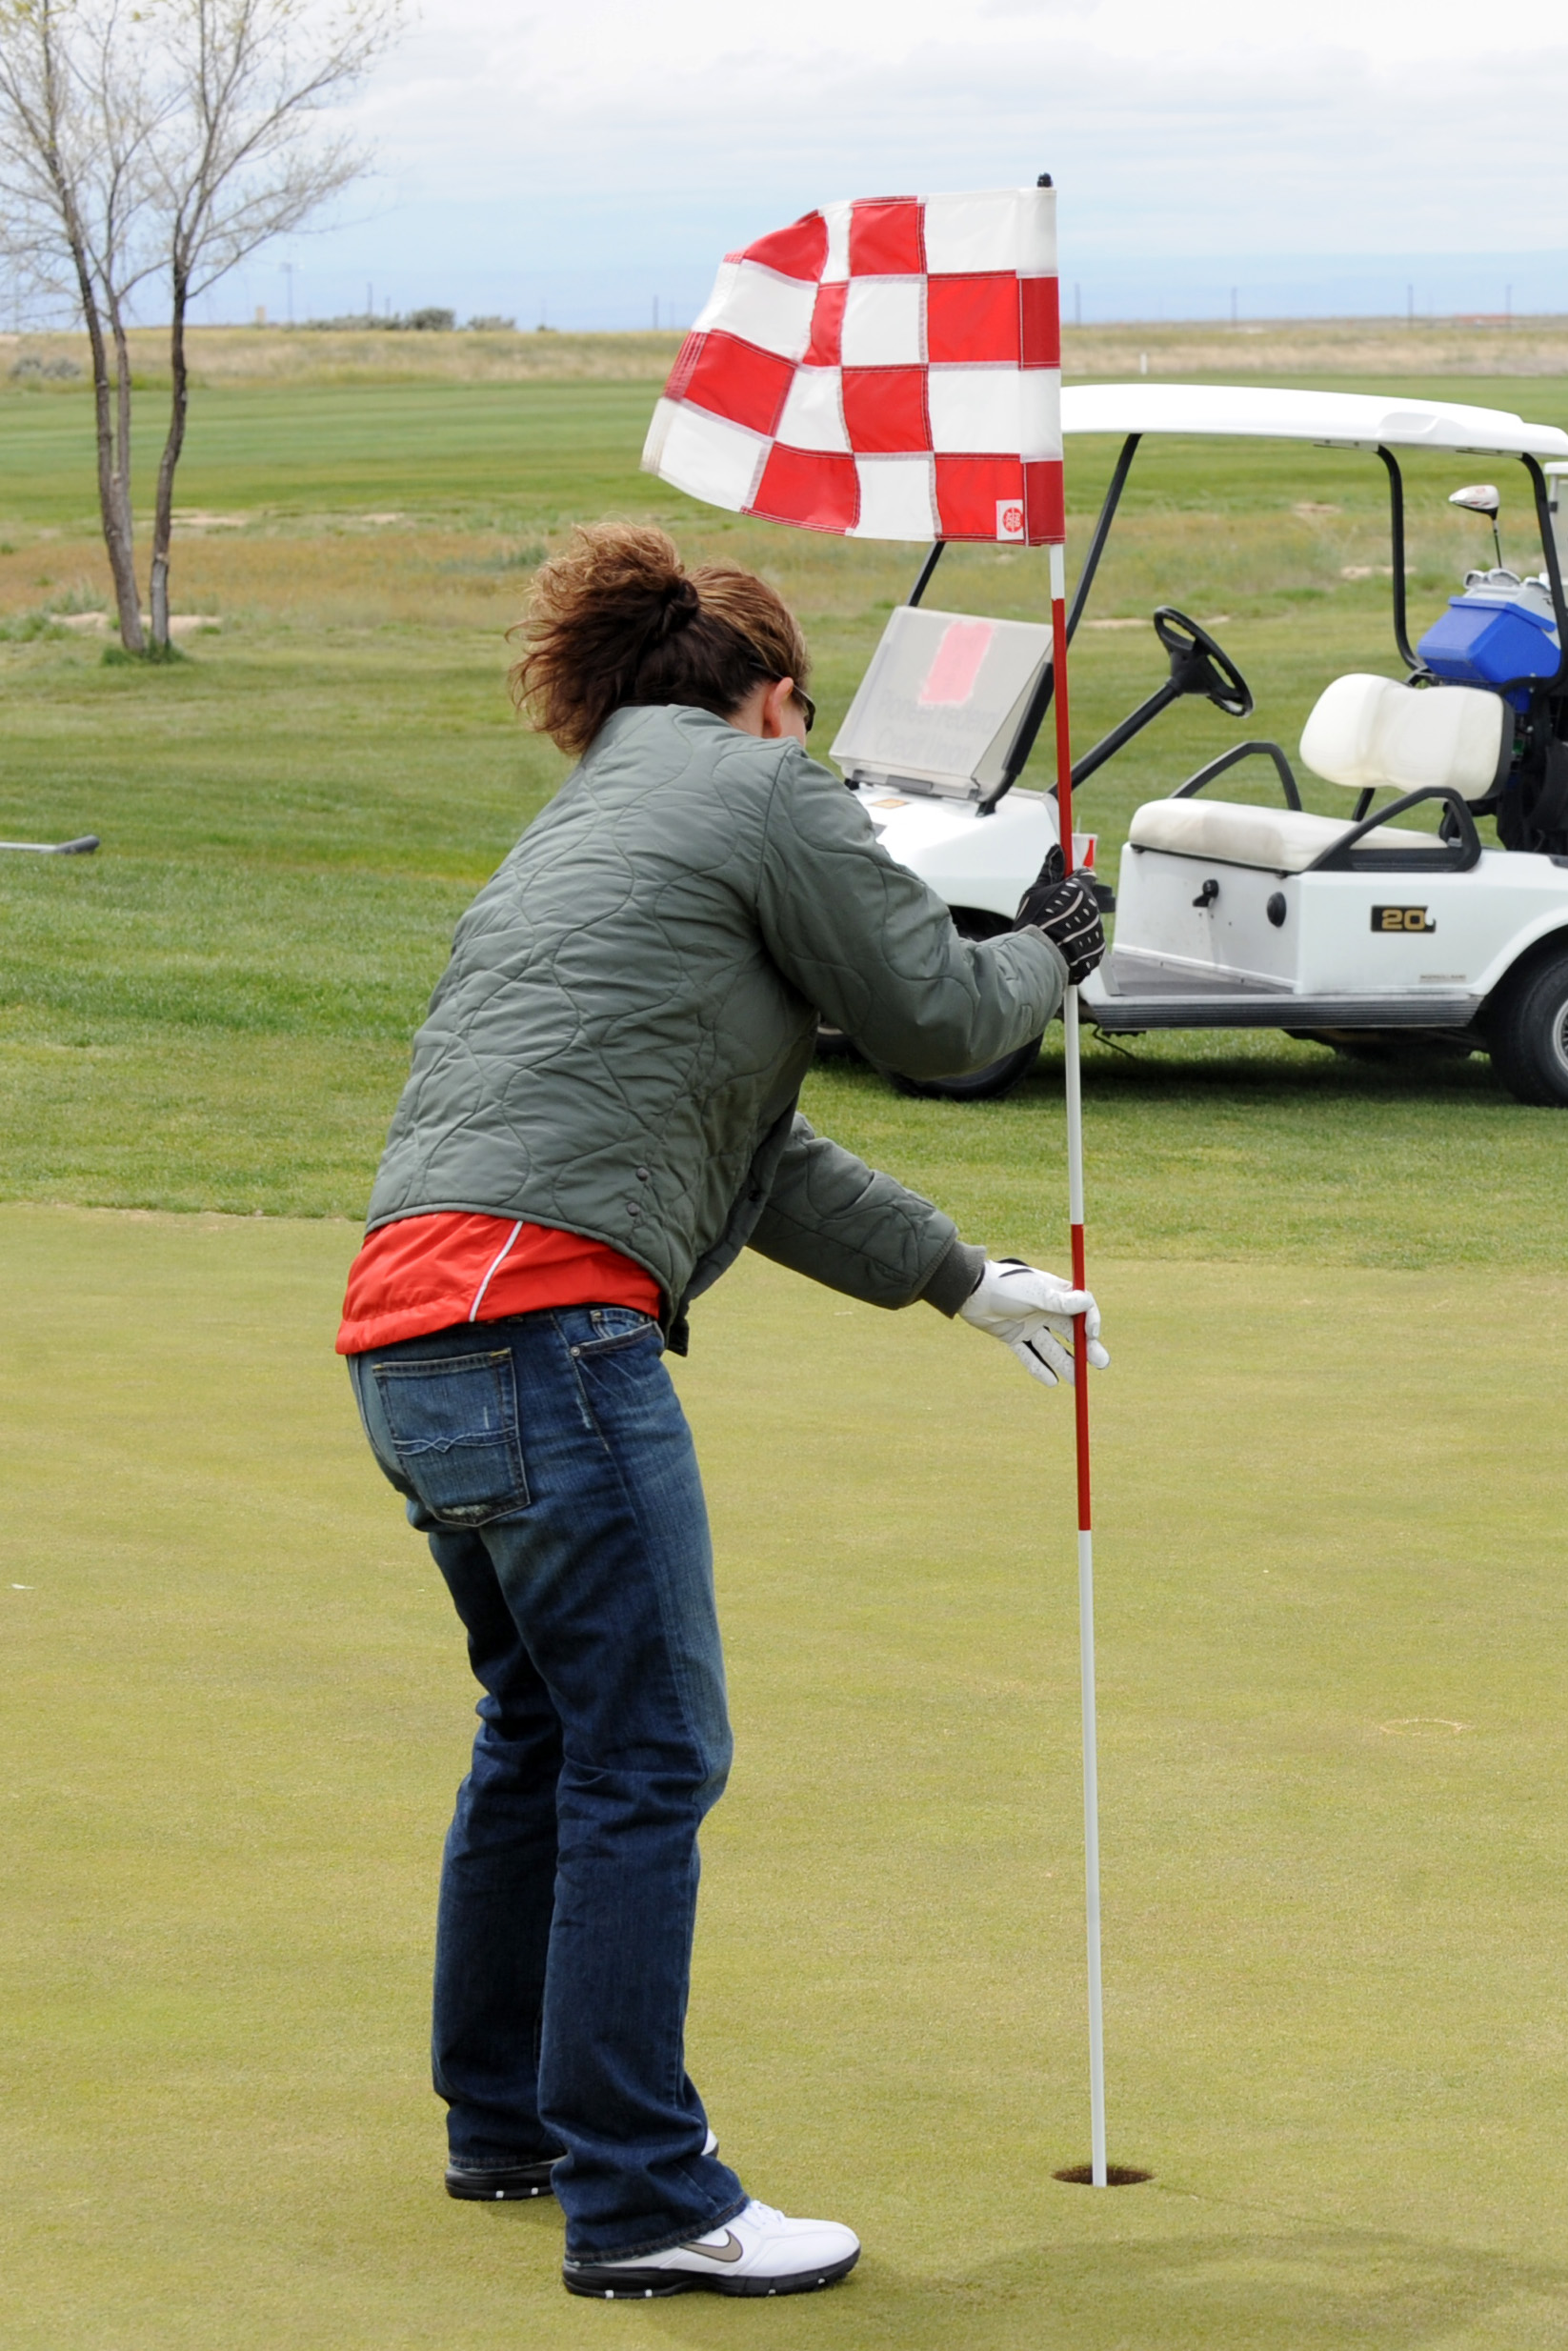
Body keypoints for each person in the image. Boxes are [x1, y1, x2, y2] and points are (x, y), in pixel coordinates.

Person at [336, 525, 1111, 2297]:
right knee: (649, 1753)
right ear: (770, 697)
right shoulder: (766, 792)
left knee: (541, 1725)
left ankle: (507, 2120)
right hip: (549, 1322)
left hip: (411, 1332)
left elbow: (749, 1155)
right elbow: (936, 1014)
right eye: (806, 715)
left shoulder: (582, 830)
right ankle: (645, 2193)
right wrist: (1053, 945)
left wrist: (961, 1278)